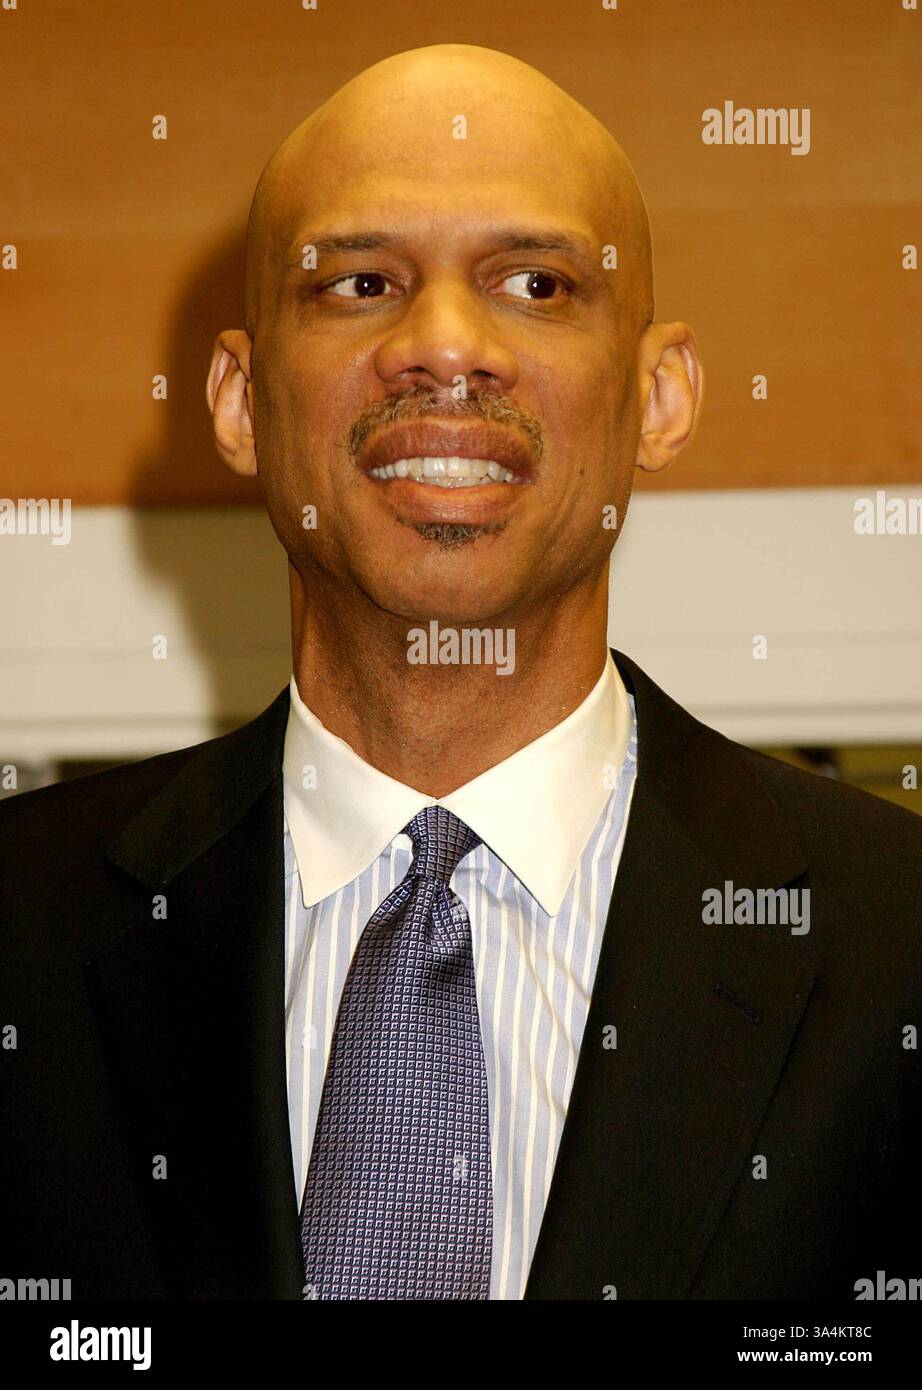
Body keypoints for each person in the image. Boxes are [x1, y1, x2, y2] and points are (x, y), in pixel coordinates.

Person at [1, 44, 919, 1302]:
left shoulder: (895, 945)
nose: (443, 347)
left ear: (659, 395)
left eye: (537, 283)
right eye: (360, 282)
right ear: (237, 398)